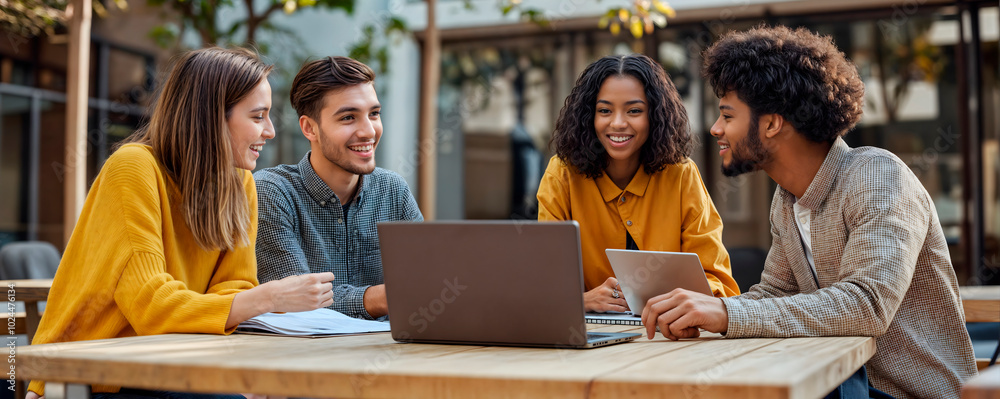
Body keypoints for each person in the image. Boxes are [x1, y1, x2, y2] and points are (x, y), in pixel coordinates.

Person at [640, 26, 977, 398]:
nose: (716, 129)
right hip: (839, 384)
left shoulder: (878, 178)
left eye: (728, 115)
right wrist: (707, 312)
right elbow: (774, 294)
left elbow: (867, 304)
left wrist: (727, 316)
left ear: (771, 123)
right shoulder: (787, 201)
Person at [25, 47, 336, 399]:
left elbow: (233, 285)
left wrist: (251, 302)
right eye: (257, 116)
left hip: (178, 362)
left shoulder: (239, 183)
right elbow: (150, 306)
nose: (270, 131)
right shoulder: (133, 168)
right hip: (95, 373)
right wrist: (267, 298)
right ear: (211, 117)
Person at [536, 54, 740, 313]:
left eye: (634, 111)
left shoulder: (681, 175)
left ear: (654, 116)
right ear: (589, 116)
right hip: (589, 334)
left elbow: (718, 284)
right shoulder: (562, 174)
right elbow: (545, 282)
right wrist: (582, 301)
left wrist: (681, 304)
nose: (618, 123)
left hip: (670, 336)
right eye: (604, 111)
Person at [254, 56, 421, 321]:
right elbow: (296, 301)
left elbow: (427, 285)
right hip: (305, 358)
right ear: (310, 128)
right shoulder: (271, 192)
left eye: (374, 114)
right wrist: (380, 298)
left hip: (388, 353)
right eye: (348, 117)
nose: (368, 131)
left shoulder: (393, 190)